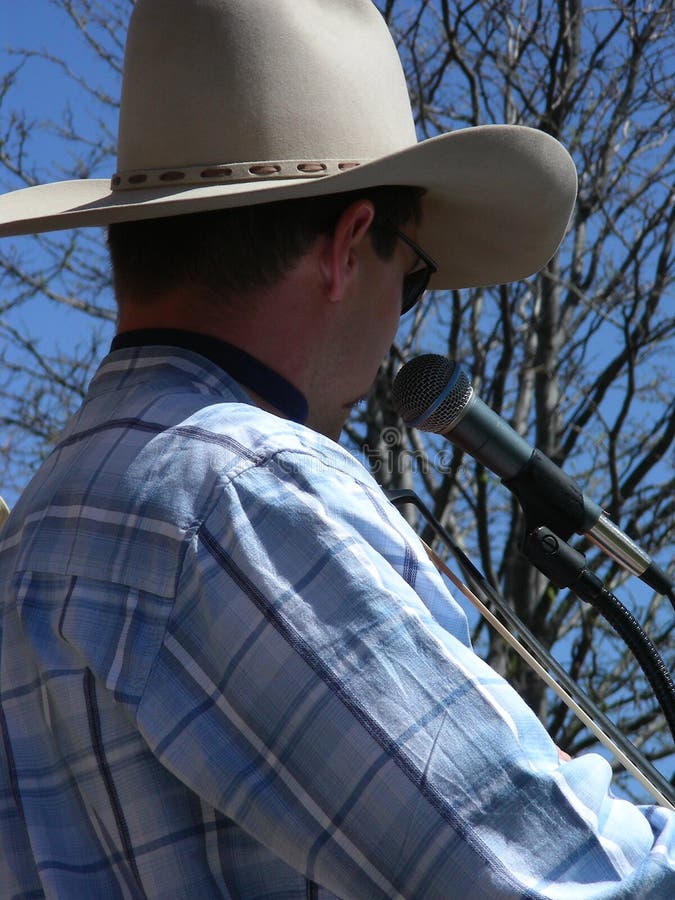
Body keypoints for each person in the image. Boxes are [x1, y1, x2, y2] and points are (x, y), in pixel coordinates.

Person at [0, 0, 672, 896]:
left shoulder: (40, 524)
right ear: (350, 245)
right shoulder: (240, 488)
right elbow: (571, 881)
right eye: (415, 274)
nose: (400, 320)